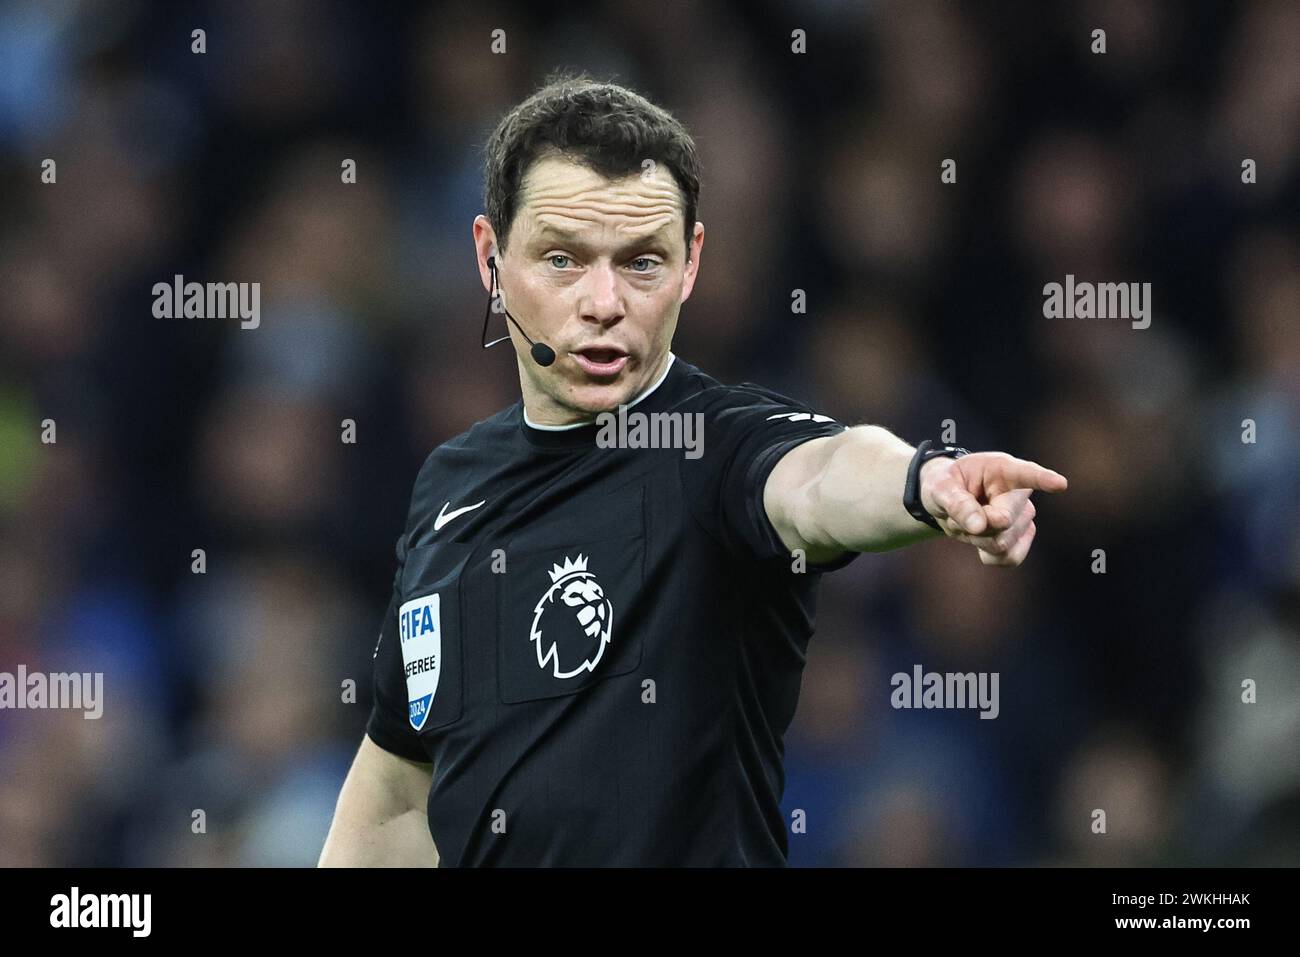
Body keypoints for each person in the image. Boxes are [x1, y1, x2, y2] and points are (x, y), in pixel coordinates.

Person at [319, 72, 1067, 867]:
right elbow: (398, 791)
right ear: (491, 259)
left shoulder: (717, 447)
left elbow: (821, 477)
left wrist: (920, 480)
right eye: (563, 258)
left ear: (691, 263)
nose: (603, 301)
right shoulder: (449, 486)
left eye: (641, 262)